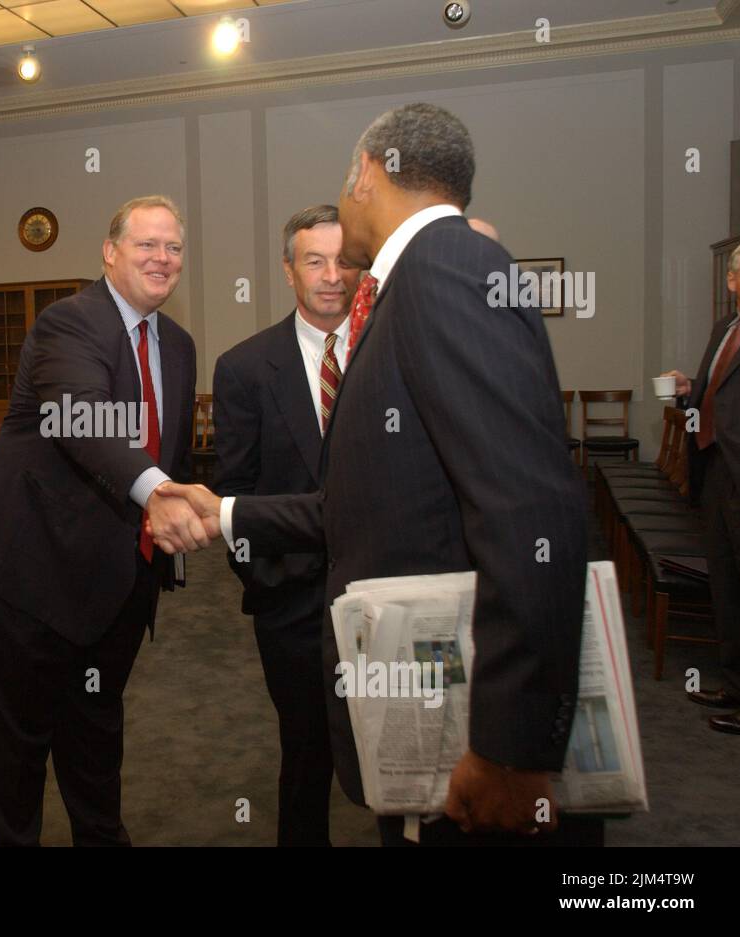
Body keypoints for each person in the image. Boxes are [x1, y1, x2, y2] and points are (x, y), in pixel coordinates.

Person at [155, 103, 598, 845]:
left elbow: (530, 509)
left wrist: (512, 746)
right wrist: (225, 514)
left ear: (368, 173)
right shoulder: (413, 286)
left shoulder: (446, 269)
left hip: (472, 705)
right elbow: (373, 500)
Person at [0, 195, 201, 845]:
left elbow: (171, 452)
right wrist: (157, 494)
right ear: (110, 250)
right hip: (29, 582)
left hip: (119, 583)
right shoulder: (69, 322)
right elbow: (82, 419)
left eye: (174, 247)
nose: (162, 258)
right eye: (147, 244)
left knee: (96, 734)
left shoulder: (178, 345)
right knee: (16, 754)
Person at [211, 204, 359, 845]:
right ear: (288, 271)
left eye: (344, 260)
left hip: (386, 594)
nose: (332, 276)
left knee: (404, 754)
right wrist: (267, 579)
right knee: (305, 754)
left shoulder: (395, 352)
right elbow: (235, 492)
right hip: (291, 603)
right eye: (315, 261)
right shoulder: (244, 367)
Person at [661, 240, 740, 736]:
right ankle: (734, 684)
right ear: (732, 281)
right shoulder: (725, 329)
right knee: (727, 584)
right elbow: (720, 391)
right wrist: (691, 387)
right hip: (715, 468)